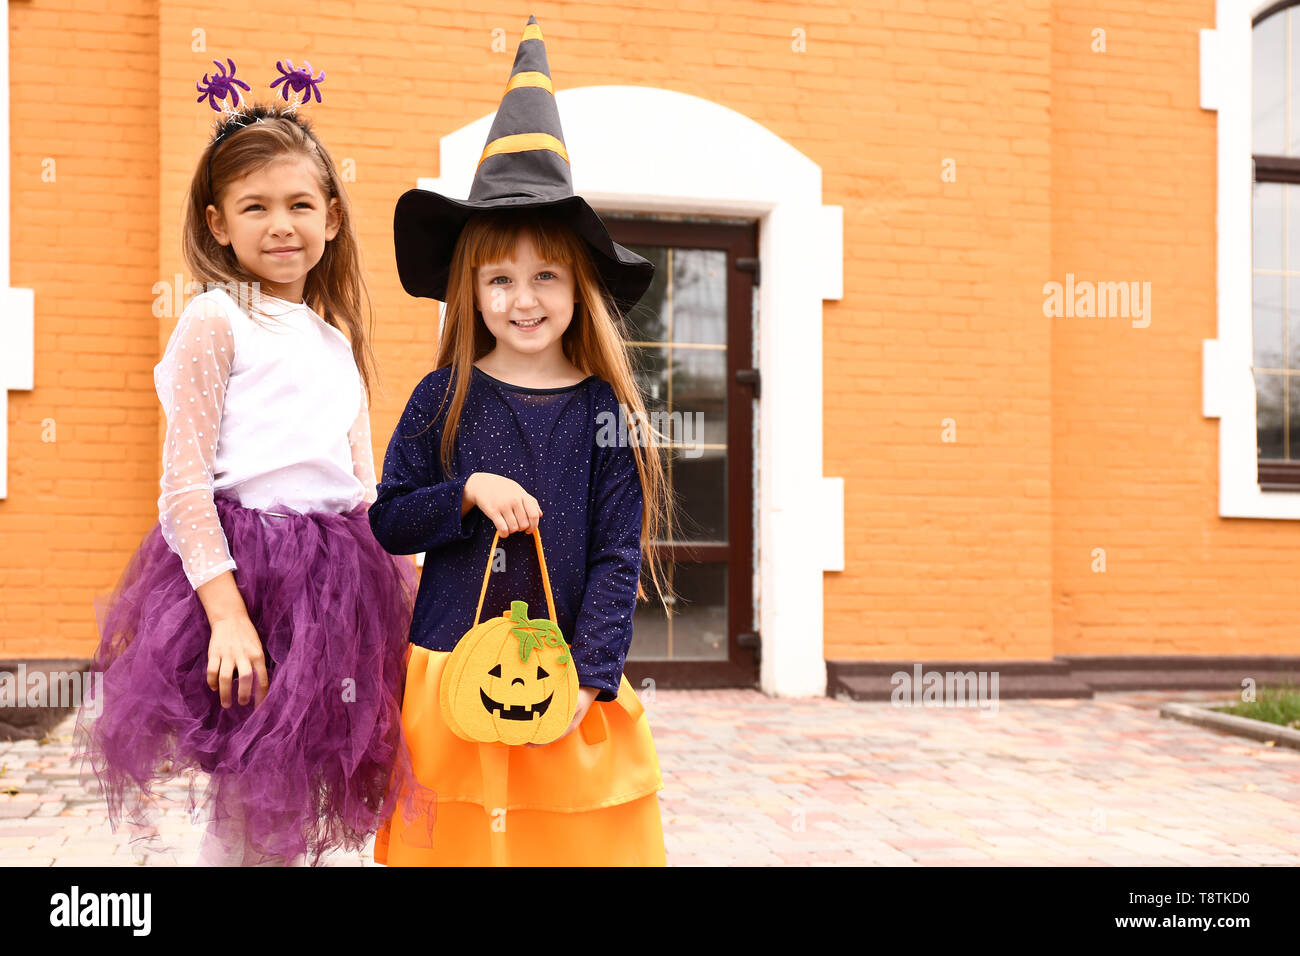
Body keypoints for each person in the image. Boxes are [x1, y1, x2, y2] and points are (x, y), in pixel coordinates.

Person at [74, 63, 431, 866]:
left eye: (301, 204)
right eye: (255, 207)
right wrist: (228, 615)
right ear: (219, 222)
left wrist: (406, 578)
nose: (281, 224)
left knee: (302, 801)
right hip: (247, 583)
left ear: (332, 218)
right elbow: (183, 487)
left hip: (339, 587)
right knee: (248, 799)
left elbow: (362, 485)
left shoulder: (336, 340)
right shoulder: (213, 318)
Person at [370, 16, 675, 865]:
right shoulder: (446, 396)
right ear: (470, 289)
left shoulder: (608, 408)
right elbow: (389, 520)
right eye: (499, 278)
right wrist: (465, 493)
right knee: (458, 840)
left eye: (545, 275)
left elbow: (620, 552)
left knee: (564, 844)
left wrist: (592, 672)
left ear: (581, 287)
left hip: (563, 671)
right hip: (451, 661)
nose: (522, 298)